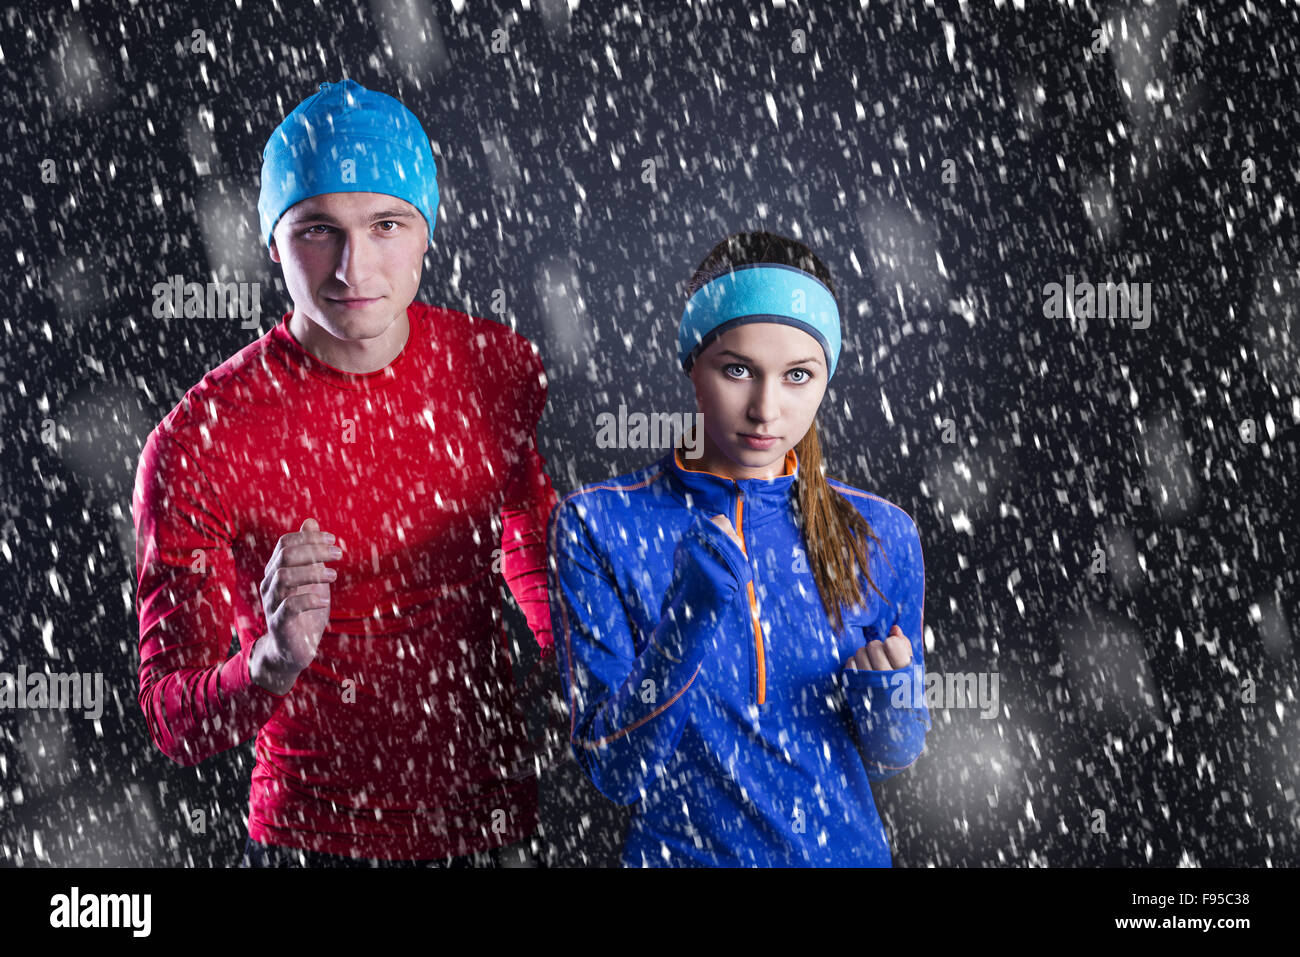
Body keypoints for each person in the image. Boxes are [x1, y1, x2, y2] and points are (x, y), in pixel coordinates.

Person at [132, 79, 559, 867]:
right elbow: (170, 718)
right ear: (271, 242)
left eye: (386, 225)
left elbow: (530, 535)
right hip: (313, 836)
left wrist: (574, 645)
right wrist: (266, 668)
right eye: (318, 231)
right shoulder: (200, 439)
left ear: (427, 230)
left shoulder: (496, 368)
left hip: (495, 818)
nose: (354, 266)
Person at [548, 229, 931, 867]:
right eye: (737, 369)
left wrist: (894, 711)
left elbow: (888, 761)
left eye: (798, 376)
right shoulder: (598, 524)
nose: (765, 408)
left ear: (825, 378)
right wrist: (686, 623)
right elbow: (615, 770)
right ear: (690, 363)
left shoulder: (882, 531)